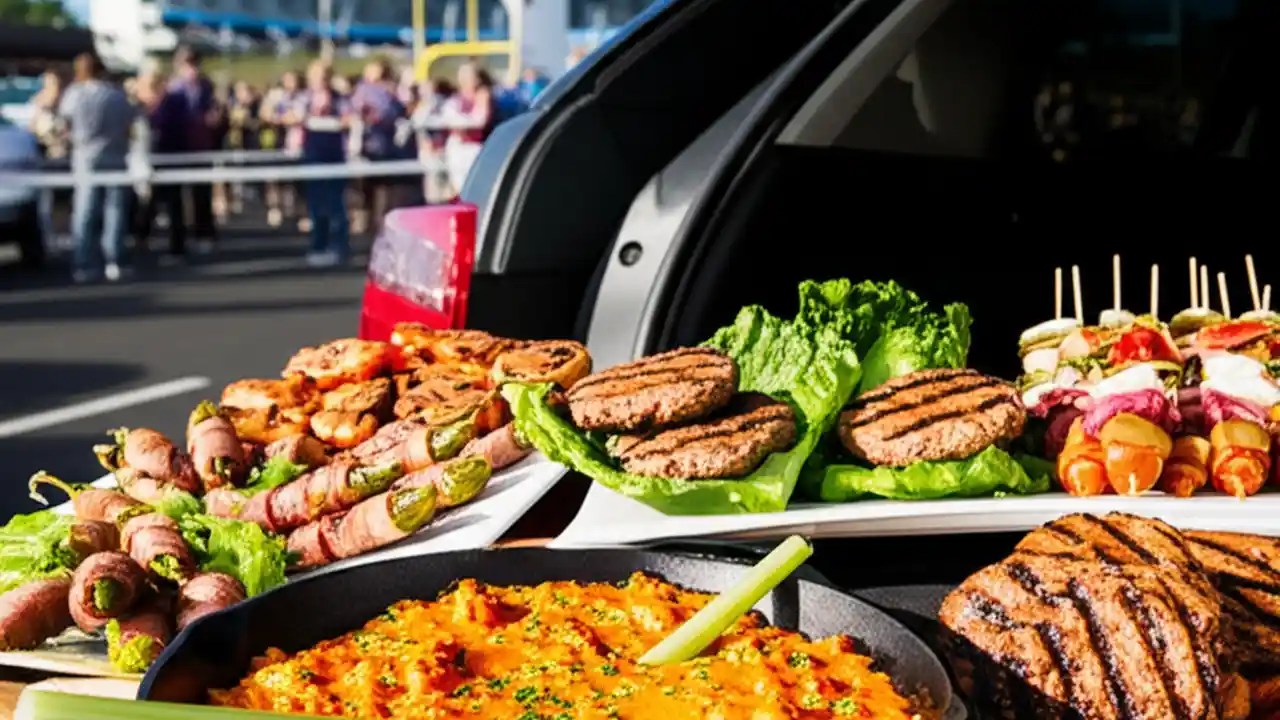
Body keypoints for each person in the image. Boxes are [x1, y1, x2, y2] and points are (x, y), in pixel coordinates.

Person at [58, 53, 135, 283]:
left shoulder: (75, 94)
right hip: (115, 155)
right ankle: (115, 260)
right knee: (115, 209)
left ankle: (84, 262)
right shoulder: (116, 95)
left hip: (86, 157)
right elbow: (128, 125)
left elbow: (64, 124)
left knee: (85, 210)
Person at [289, 60, 351, 267]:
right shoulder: (304, 98)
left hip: (334, 155)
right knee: (316, 205)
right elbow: (289, 116)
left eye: (323, 76)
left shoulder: (339, 98)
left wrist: (335, 122)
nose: (319, 80)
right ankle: (319, 244)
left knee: (336, 204)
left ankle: (339, 246)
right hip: (313, 155)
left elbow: (348, 119)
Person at [168, 45, 220, 254]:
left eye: (193, 63)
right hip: (178, 146)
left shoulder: (206, 86)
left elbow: (212, 110)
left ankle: (204, 233)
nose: (191, 68)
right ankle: (178, 241)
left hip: (201, 146)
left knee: (202, 193)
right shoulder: (173, 88)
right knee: (176, 197)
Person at [351, 58, 407, 234]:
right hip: (365, 147)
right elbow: (355, 110)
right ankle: (366, 222)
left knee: (383, 191)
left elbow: (391, 113)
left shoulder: (390, 92)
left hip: (385, 148)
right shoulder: (361, 90)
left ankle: (380, 226)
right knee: (363, 189)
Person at [422, 62, 494, 197]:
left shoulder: (482, 94)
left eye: (468, 75)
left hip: (474, 145)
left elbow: (480, 120)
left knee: (472, 182)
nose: (465, 79)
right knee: (457, 183)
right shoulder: (456, 97)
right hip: (456, 146)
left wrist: (458, 120)